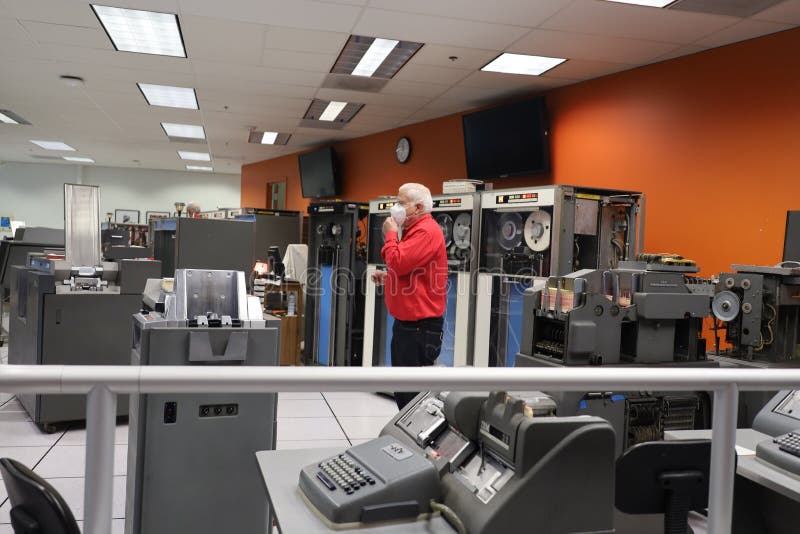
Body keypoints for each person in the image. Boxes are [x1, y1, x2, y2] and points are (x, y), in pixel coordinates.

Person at [372, 183, 448, 410]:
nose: (396, 208)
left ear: (419, 207)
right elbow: (411, 270)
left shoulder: (426, 231)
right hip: (408, 327)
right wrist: (390, 278)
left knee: (412, 398)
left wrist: (390, 234)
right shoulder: (414, 231)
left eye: (401, 203)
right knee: (404, 391)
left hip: (419, 329)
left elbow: (397, 261)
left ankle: (415, 433)